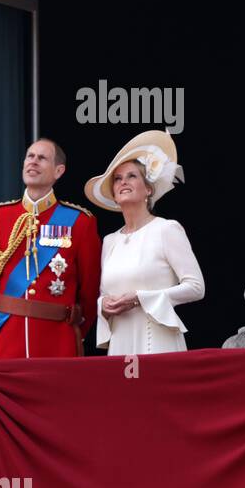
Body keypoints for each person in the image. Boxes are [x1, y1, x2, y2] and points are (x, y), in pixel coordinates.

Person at [0, 139, 100, 360]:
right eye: (30, 156)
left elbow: (90, 288)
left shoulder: (80, 222)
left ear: (59, 171)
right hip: (9, 336)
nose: (34, 162)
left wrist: (74, 328)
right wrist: (5, 312)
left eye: (42, 158)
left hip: (58, 340)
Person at [84, 131, 205, 355]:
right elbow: (103, 292)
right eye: (118, 179)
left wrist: (140, 298)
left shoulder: (166, 229)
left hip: (158, 340)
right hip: (121, 343)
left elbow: (196, 288)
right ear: (113, 193)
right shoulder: (110, 241)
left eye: (131, 176)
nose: (123, 182)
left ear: (148, 189)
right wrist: (103, 305)